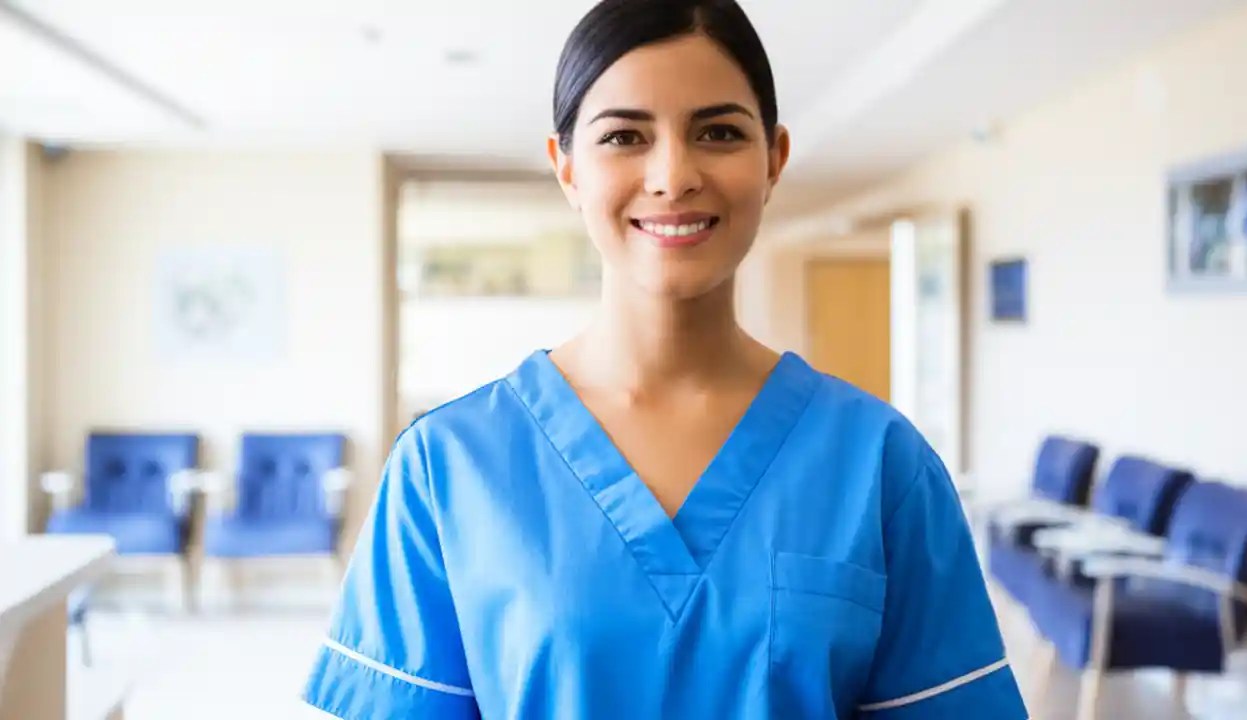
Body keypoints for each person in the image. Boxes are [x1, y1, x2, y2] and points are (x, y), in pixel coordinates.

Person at [302, 0, 1027, 717]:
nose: (673, 175)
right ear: (567, 169)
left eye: (718, 131)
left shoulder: (879, 464)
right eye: (623, 136)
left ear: (773, 159)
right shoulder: (448, 467)